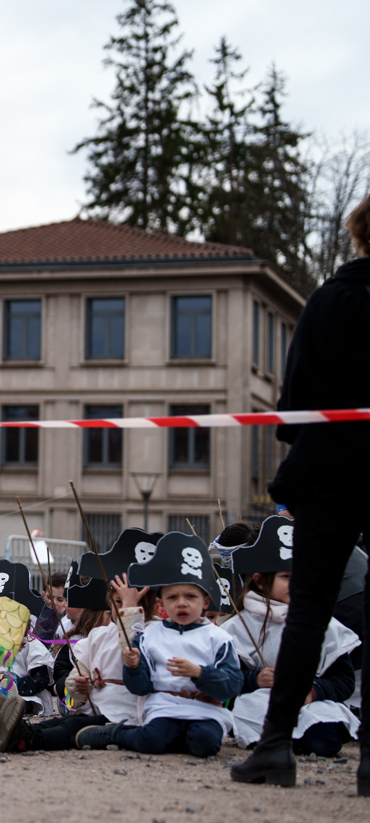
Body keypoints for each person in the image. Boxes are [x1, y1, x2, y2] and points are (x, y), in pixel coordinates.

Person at [231, 199, 370, 792]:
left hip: (326, 471)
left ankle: (274, 748)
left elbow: (293, 407)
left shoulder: (329, 300)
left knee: (308, 610)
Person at [78, 536, 241, 757]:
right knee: (152, 741)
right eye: (173, 597)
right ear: (161, 603)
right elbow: (140, 687)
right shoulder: (148, 636)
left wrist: (200, 673)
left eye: (190, 596)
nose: (181, 603)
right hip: (165, 708)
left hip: (205, 710)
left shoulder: (220, 638)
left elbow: (232, 684)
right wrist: (133, 667)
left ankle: (180, 739)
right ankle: (116, 734)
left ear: (205, 601)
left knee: (205, 745)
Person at [223, 516, 360, 757]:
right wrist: (255, 679)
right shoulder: (238, 627)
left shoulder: (323, 622)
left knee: (323, 743)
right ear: (261, 581)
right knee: (260, 730)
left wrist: (313, 692)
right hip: (261, 703)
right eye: (287, 577)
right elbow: (227, 680)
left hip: (311, 703)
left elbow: (344, 680)